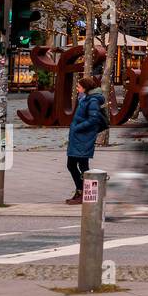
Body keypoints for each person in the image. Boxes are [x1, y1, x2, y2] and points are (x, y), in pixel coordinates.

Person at [65, 76, 107, 205]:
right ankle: (82, 191)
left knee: (79, 166)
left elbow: (93, 119)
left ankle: (84, 192)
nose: (77, 89)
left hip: (84, 137)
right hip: (79, 137)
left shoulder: (92, 100)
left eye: (78, 87)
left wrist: (77, 128)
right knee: (76, 165)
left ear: (85, 88)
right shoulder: (84, 99)